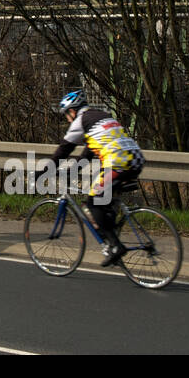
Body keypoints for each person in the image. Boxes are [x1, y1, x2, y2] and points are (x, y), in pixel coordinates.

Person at [49, 90, 145, 266]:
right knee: (104, 202)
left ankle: (116, 246)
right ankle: (111, 237)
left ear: (72, 111)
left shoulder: (81, 120)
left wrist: (46, 170)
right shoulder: (102, 118)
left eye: (66, 115)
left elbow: (65, 149)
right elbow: (87, 155)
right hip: (136, 159)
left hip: (117, 162)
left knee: (93, 203)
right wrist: (71, 171)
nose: (67, 119)